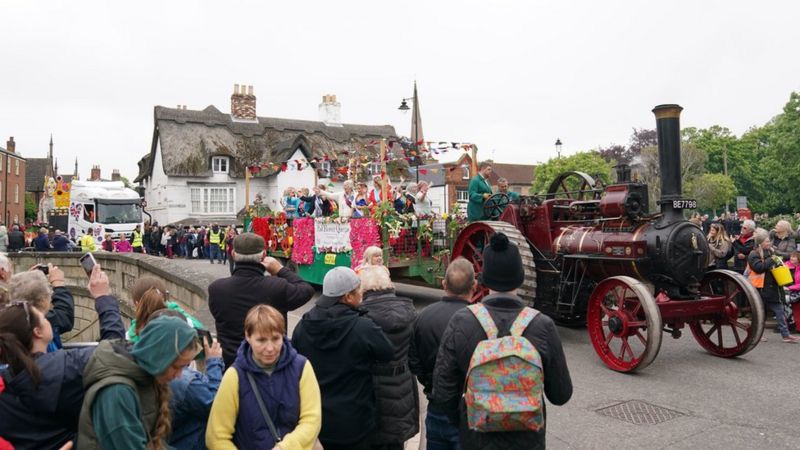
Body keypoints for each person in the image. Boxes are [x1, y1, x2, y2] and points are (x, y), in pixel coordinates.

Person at [433, 232, 572, 449]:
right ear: (521, 277)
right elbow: (561, 394)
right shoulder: (542, 325)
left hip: (476, 439)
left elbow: (443, 393)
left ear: (484, 279)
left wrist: (469, 418)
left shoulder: (462, 321)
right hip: (528, 441)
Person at [0, 265, 125, 449]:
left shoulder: (7, 386)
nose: (48, 317)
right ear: (37, 332)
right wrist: (103, 298)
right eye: (43, 318)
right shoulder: (66, 368)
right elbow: (114, 352)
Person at [292, 267, 394, 450]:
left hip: (316, 419)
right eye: (358, 292)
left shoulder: (303, 326)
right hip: (355, 421)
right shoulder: (363, 327)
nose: (362, 295)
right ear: (347, 297)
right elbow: (387, 352)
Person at [206, 304, 322, 450]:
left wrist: (286, 447)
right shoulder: (234, 376)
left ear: (283, 335)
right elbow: (217, 436)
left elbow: (312, 419)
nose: (270, 348)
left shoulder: (302, 367)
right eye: (261, 340)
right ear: (248, 336)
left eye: (275, 339)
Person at [77, 315, 200, 449]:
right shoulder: (117, 392)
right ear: (159, 358)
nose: (179, 375)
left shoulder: (147, 377)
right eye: (176, 367)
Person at [209, 233, 315, 367]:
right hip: (271, 365)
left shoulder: (217, 289)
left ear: (233, 254)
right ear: (264, 255)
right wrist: (281, 270)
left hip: (233, 366)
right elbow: (306, 289)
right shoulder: (277, 287)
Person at [134, 306, 223, 450]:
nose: (179, 373)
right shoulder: (184, 382)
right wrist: (214, 363)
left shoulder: (153, 376)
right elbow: (216, 404)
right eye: (177, 367)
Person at [410, 257, 476, 450]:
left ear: (444, 284)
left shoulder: (423, 316)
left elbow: (414, 361)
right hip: (468, 410)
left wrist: (431, 384)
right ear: (474, 285)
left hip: (436, 405)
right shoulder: (479, 320)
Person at [358, 266, 419, 449]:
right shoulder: (410, 311)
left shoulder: (362, 315)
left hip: (374, 387)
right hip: (403, 383)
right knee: (397, 440)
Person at [748, 228, 800, 343]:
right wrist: (771, 260)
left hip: (773, 289)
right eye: (767, 241)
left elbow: (774, 266)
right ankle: (757, 335)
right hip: (760, 289)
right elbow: (759, 268)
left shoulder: (770, 252)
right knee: (760, 314)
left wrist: (780, 265)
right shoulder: (753, 254)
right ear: (761, 243)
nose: (769, 243)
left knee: (780, 311)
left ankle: (786, 335)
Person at [9, 267, 74, 352]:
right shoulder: (38, 321)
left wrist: (25, 282)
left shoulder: (8, 322)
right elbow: (64, 317)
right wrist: (59, 284)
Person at [126, 276, 204, 343]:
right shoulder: (180, 322)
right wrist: (170, 307)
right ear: (165, 298)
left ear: (136, 304)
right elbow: (202, 334)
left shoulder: (130, 335)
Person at [784, 252, 800, 336]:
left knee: (786, 300)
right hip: (793, 291)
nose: (791, 258)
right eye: (791, 257)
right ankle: (789, 324)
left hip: (797, 291)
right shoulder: (788, 265)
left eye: (794, 257)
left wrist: (789, 288)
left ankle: (790, 324)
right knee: (784, 299)